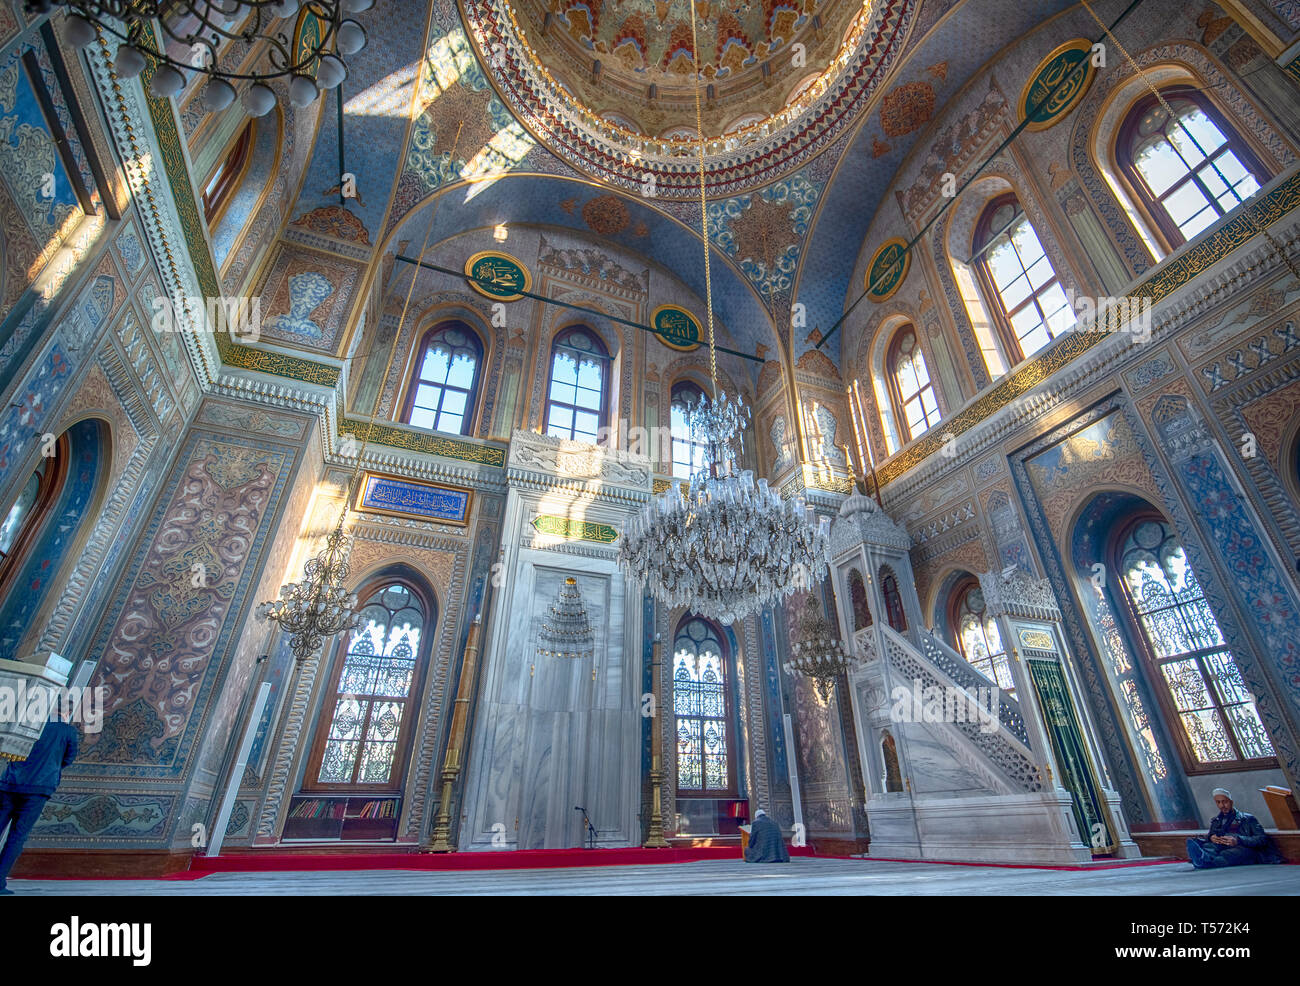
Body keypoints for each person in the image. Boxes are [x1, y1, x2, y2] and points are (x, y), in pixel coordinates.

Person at [0, 715, 79, 895]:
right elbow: (68, 759)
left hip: (10, 782)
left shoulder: (25, 723)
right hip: (39, 787)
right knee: (17, 836)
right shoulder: (67, 731)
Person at [1185, 788, 1282, 870]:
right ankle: (1203, 858)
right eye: (1218, 802)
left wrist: (1238, 840)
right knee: (1209, 847)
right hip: (1222, 846)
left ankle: (1204, 862)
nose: (1222, 805)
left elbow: (1262, 839)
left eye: (1225, 802)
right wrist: (1212, 838)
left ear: (1231, 802)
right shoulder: (1217, 820)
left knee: (1228, 854)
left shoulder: (1248, 819)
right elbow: (1211, 836)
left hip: (1244, 848)